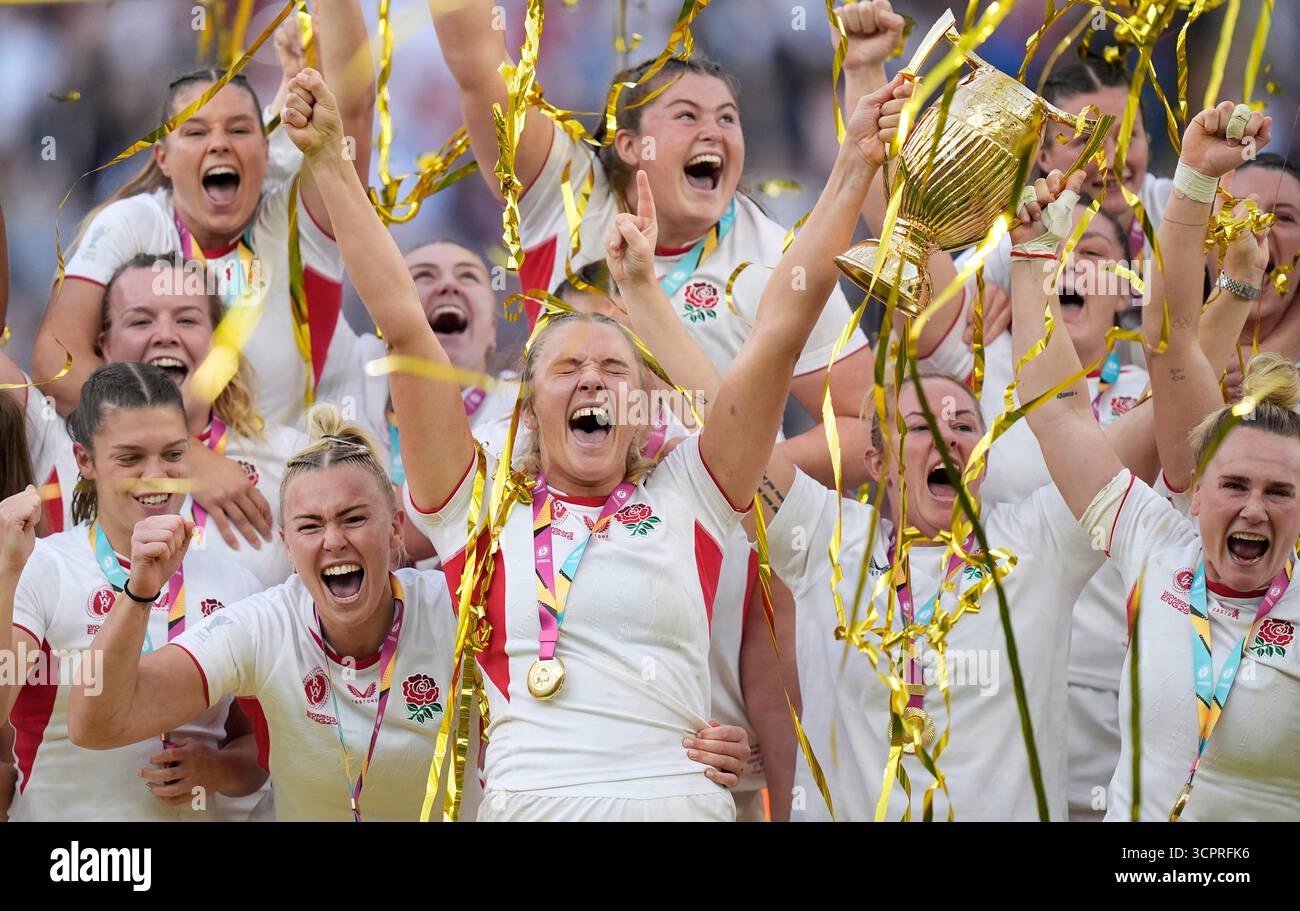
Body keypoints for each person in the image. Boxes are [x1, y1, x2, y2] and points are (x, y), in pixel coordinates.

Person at [288, 62, 902, 819]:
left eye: (614, 367)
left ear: (646, 410)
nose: (590, 380)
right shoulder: (473, 502)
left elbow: (777, 335)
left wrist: (852, 168)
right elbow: (403, 318)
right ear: (528, 406)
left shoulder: (695, 492)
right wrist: (328, 160)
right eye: (567, 367)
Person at [430, 0, 876, 490]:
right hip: (553, 537)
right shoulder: (562, 190)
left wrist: (728, 470)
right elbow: (476, 63)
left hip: (707, 552)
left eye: (728, 118)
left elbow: (866, 432)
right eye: (687, 115)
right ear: (627, 144)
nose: (714, 131)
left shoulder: (776, 258)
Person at [1016, 104, 1299, 821]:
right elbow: (1061, 408)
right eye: (1233, 484)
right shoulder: (1156, 541)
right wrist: (1028, 261)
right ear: (1193, 489)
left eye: (1279, 491)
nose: (1254, 508)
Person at [33, 1, 374, 551]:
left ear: (265, 151)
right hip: (139, 502)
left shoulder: (293, 214)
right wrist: (182, 455)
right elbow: (54, 363)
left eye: (239, 128)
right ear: (164, 157)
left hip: (276, 503)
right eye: (196, 132)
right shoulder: (133, 223)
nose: (219, 143)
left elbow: (353, 102)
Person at [0, 363, 266, 821]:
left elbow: (264, 750)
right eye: (130, 458)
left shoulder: (235, 584)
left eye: (173, 454)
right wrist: (6, 569)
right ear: (85, 460)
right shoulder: (43, 565)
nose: (156, 474)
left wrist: (217, 768)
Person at [93, 254, 302, 586]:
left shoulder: (291, 456)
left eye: (187, 321)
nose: (165, 335)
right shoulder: (69, 446)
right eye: (141, 321)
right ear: (104, 348)